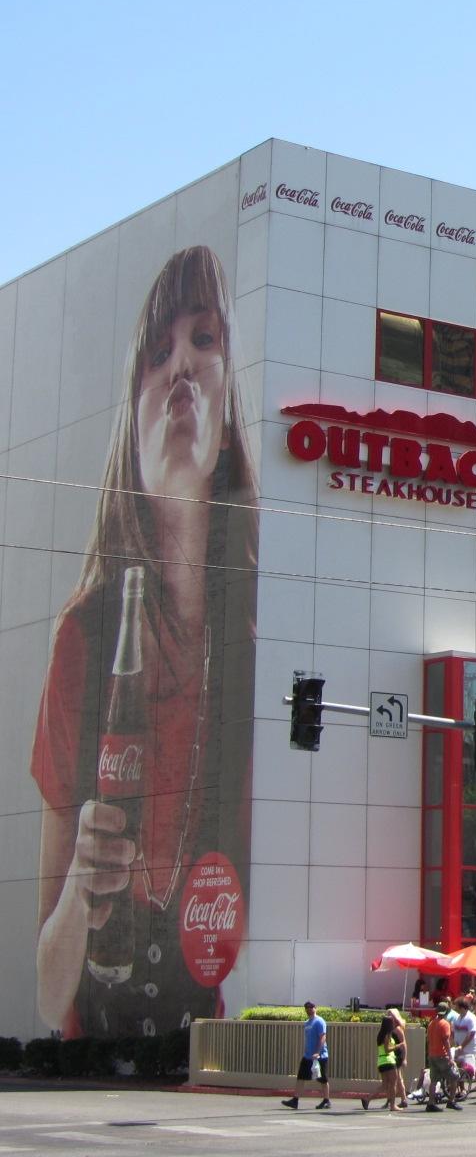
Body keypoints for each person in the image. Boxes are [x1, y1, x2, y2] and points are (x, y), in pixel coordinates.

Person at [33, 246, 259, 1040]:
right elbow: (44, 985)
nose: (182, 370)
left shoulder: (257, 628)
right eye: (158, 353)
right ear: (132, 409)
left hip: (209, 1035)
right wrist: (77, 896)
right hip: (91, 1043)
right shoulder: (84, 640)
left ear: (231, 397)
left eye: (205, 340)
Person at [283, 1001, 330, 1110]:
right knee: (300, 1077)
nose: (308, 1009)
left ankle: (326, 1100)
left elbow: (323, 1037)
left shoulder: (319, 1021)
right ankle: (295, 1100)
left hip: (320, 1056)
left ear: (315, 1008)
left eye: (310, 1007)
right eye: (306, 1008)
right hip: (307, 1056)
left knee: (323, 1079)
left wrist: (318, 1052)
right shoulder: (307, 1023)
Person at [424, 1007, 458, 1112]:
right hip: (442, 1055)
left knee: (434, 1080)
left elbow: (428, 1040)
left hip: (432, 1055)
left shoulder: (431, 1024)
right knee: (454, 1077)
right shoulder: (444, 1024)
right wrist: (450, 1057)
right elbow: (446, 1041)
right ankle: (451, 1101)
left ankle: (431, 1103)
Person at [376, 1009, 405, 1112]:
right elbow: (388, 1049)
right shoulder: (388, 1035)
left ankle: (368, 1098)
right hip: (389, 1060)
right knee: (393, 1083)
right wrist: (398, 1046)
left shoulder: (380, 1034)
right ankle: (393, 1105)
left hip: (381, 1061)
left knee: (385, 1084)